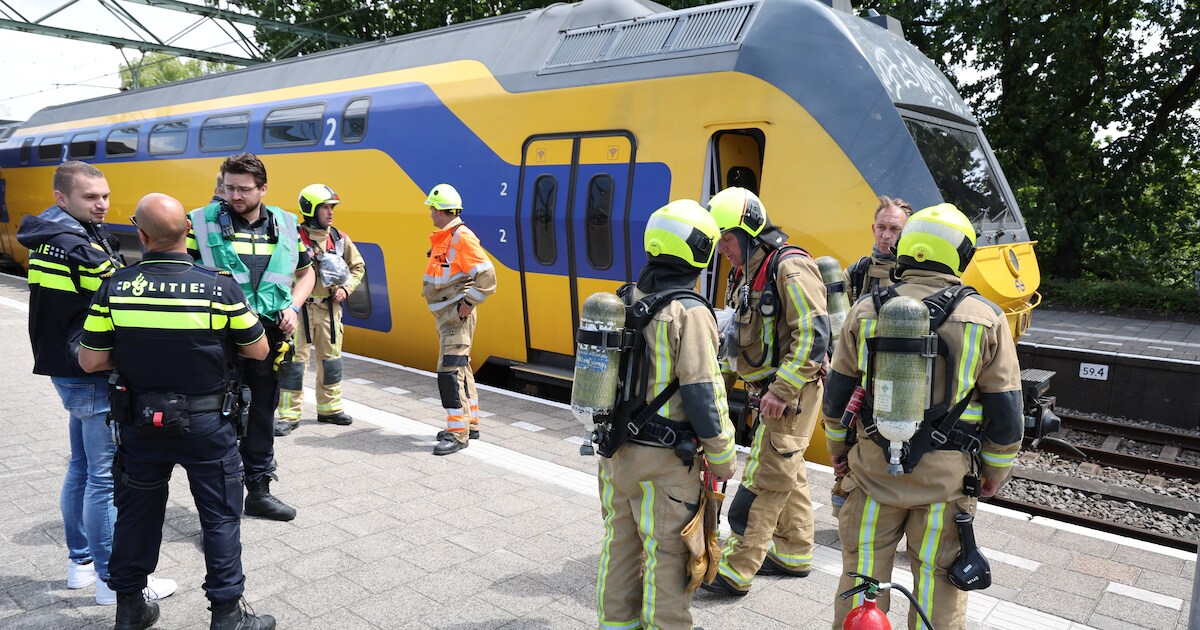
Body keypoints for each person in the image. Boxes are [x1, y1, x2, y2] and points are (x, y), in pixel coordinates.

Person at [821, 203, 1023, 630]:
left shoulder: (865, 310)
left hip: (873, 474)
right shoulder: (986, 318)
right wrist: (993, 474)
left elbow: (837, 398)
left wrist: (839, 453)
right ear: (961, 255)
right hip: (946, 484)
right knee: (938, 586)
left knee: (862, 578)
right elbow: (1007, 416)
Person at [79, 193, 275, 630]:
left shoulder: (116, 287)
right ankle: (226, 615)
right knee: (220, 516)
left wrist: (134, 355)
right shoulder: (220, 286)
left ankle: (130, 608)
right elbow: (258, 350)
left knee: (136, 514)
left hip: (140, 422)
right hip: (209, 424)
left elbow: (90, 360)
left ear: (141, 235)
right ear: (187, 232)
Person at [16, 161, 176, 606]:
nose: (102, 204)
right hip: (90, 370)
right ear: (61, 198)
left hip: (66, 367)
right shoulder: (78, 245)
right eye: (90, 197)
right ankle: (114, 581)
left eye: (104, 196)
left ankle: (81, 564)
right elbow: (125, 295)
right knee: (103, 478)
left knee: (82, 468)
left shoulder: (51, 237)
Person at [596, 200, 737, 630]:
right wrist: (723, 457)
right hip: (665, 462)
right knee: (670, 556)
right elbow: (705, 396)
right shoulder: (690, 312)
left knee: (619, 545)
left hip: (615, 454)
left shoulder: (624, 298)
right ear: (700, 250)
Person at [700, 186, 830, 597]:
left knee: (765, 478)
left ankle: (737, 568)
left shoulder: (789, 268)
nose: (721, 249)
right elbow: (733, 337)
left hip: (791, 393)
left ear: (746, 234)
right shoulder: (745, 273)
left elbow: (813, 335)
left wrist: (782, 389)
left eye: (725, 239)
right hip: (769, 389)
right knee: (787, 469)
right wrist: (716, 394)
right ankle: (793, 552)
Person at [188, 152, 315, 521]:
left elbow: (307, 273)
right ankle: (219, 506)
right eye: (229, 188)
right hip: (220, 338)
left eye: (244, 189)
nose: (235, 196)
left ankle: (258, 492)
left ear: (263, 188)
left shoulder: (287, 224)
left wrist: (293, 306)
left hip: (271, 337)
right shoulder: (200, 223)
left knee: (261, 412)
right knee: (218, 418)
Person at [276, 184, 366, 431]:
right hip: (300, 311)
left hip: (329, 310)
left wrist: (345, 289)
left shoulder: (339, 239)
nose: (330, 213)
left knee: (331, 362)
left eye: (332, 208)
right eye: (325, 207)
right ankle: (288, 415)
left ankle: (330, 409)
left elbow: (358, 267)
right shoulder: (292, 238)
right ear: (311, 209)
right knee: (294, 363)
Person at [422, 183, 497, 456]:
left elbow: (488, 277)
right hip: (448, 317)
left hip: (456, 317)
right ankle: (470, 422)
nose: (430, 214)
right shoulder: (446, 237)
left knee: (449, 372)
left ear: (440, 211)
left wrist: (468, 302)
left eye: (432, 209)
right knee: (461, 369)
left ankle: (457, 433)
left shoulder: (462, 238)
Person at [844, 196, 912, 302]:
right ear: (874, 229)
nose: (885, 235)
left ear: (907, 232)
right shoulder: (855, 273)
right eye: (881, 227)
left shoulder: (915, 274)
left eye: (894, 229)